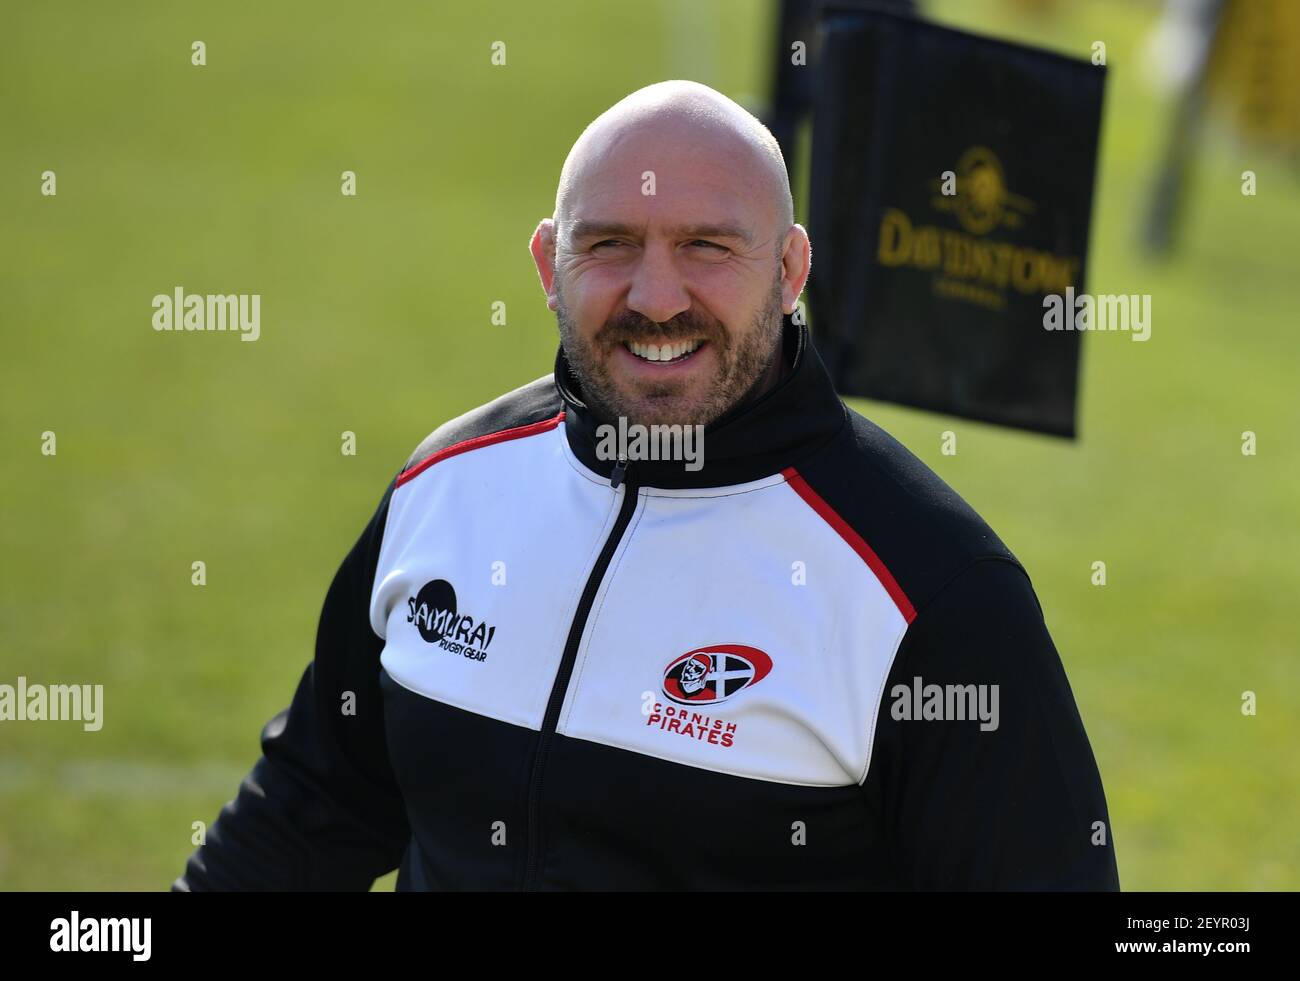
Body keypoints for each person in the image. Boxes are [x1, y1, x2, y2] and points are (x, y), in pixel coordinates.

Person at [175, 80, 1120, 891]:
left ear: (790, 270)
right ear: (550, 264)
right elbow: (311, 804)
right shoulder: (445, 487)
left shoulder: (935, 590)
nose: (656, 297)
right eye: (612, 244)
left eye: (709, 245)